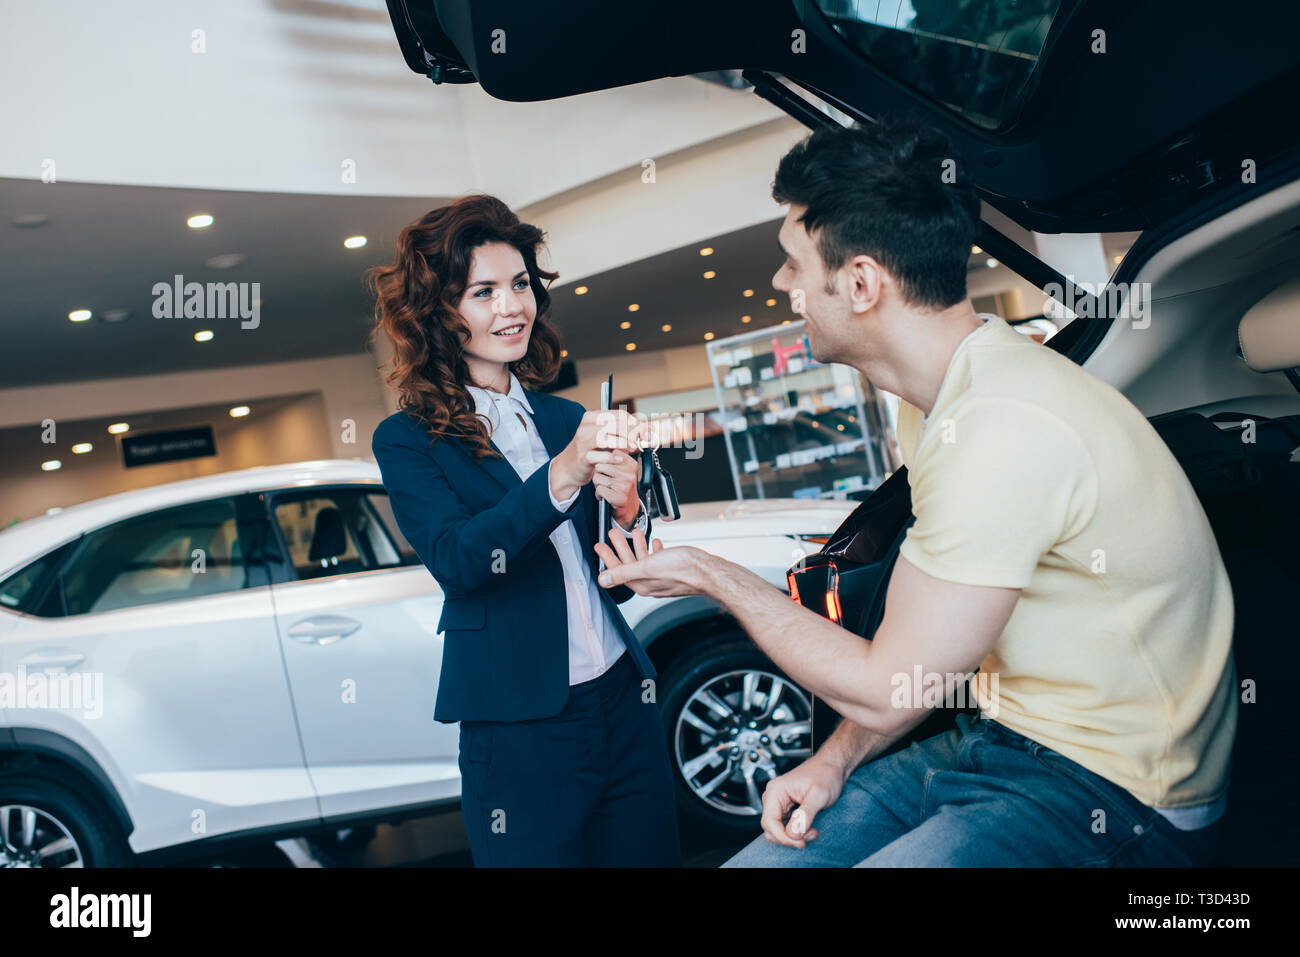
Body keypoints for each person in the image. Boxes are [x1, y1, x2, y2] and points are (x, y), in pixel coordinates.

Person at [594, 116, 1236, 867]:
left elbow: (889, 687)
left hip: (1114, 790)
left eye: (793, 263)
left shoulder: (999, 424)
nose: (781, 285)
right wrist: (832, 759)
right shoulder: (935, 404)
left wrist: (711, 575)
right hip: (992, 737)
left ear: (862, 283)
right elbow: (924, 654)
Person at [368, 194, 680, 867]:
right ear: (439, 312)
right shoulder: (407, 440)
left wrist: (627, 511)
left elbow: (608, 580)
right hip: (519, 725)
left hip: (624, 698)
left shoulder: (564, 417)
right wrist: (562, 476)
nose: (512, 306)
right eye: (483, 292)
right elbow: (460, 560)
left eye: (519, 284)